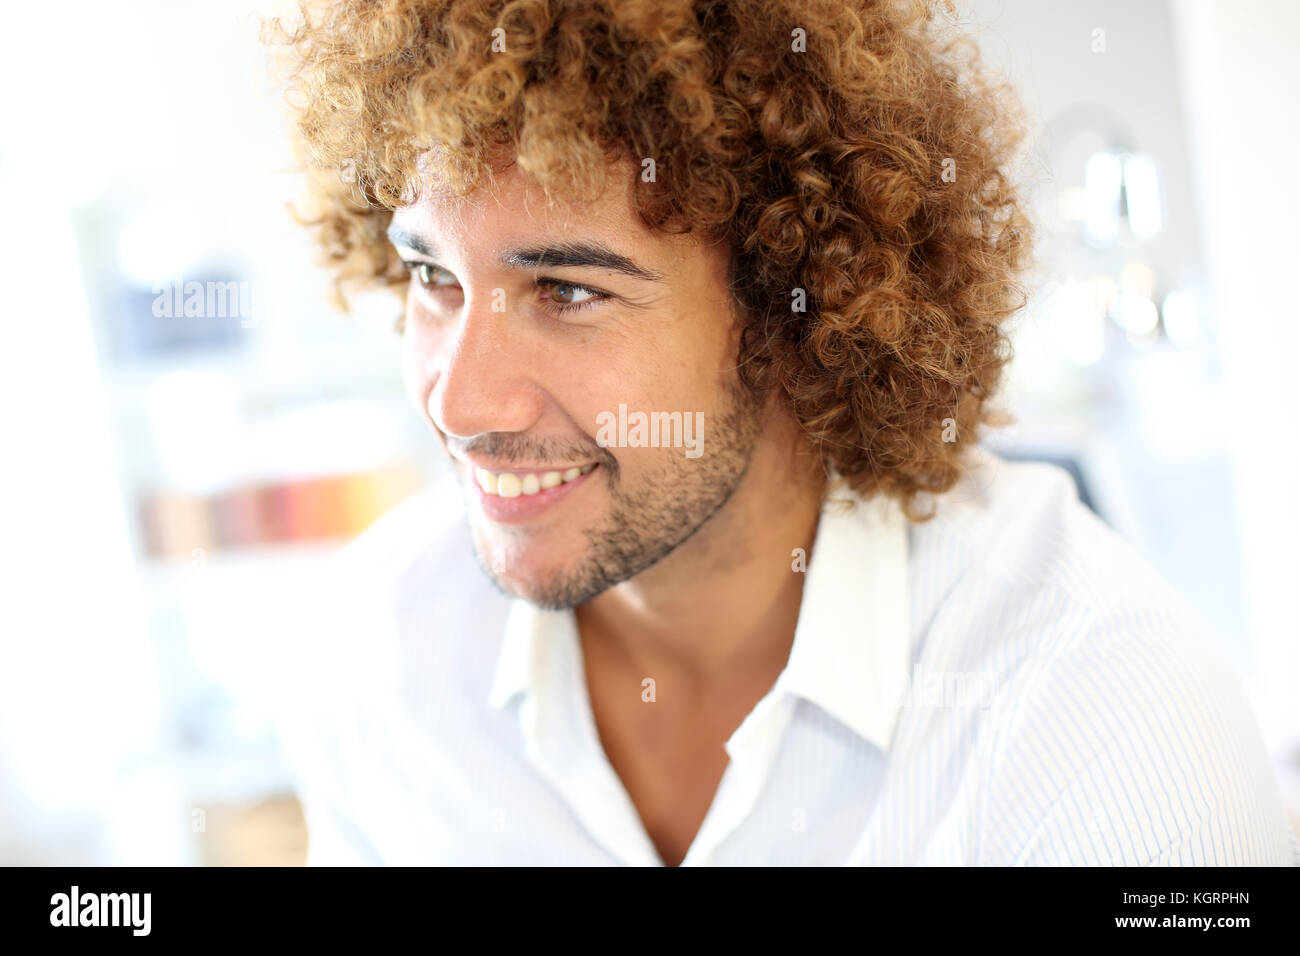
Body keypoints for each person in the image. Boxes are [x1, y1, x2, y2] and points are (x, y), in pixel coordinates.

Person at [268, 0, 1298, 865]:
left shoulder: (1100, 714)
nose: (459, 402)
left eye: (568, 289)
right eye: (433, 277)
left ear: (793, 303)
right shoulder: (380, 659)